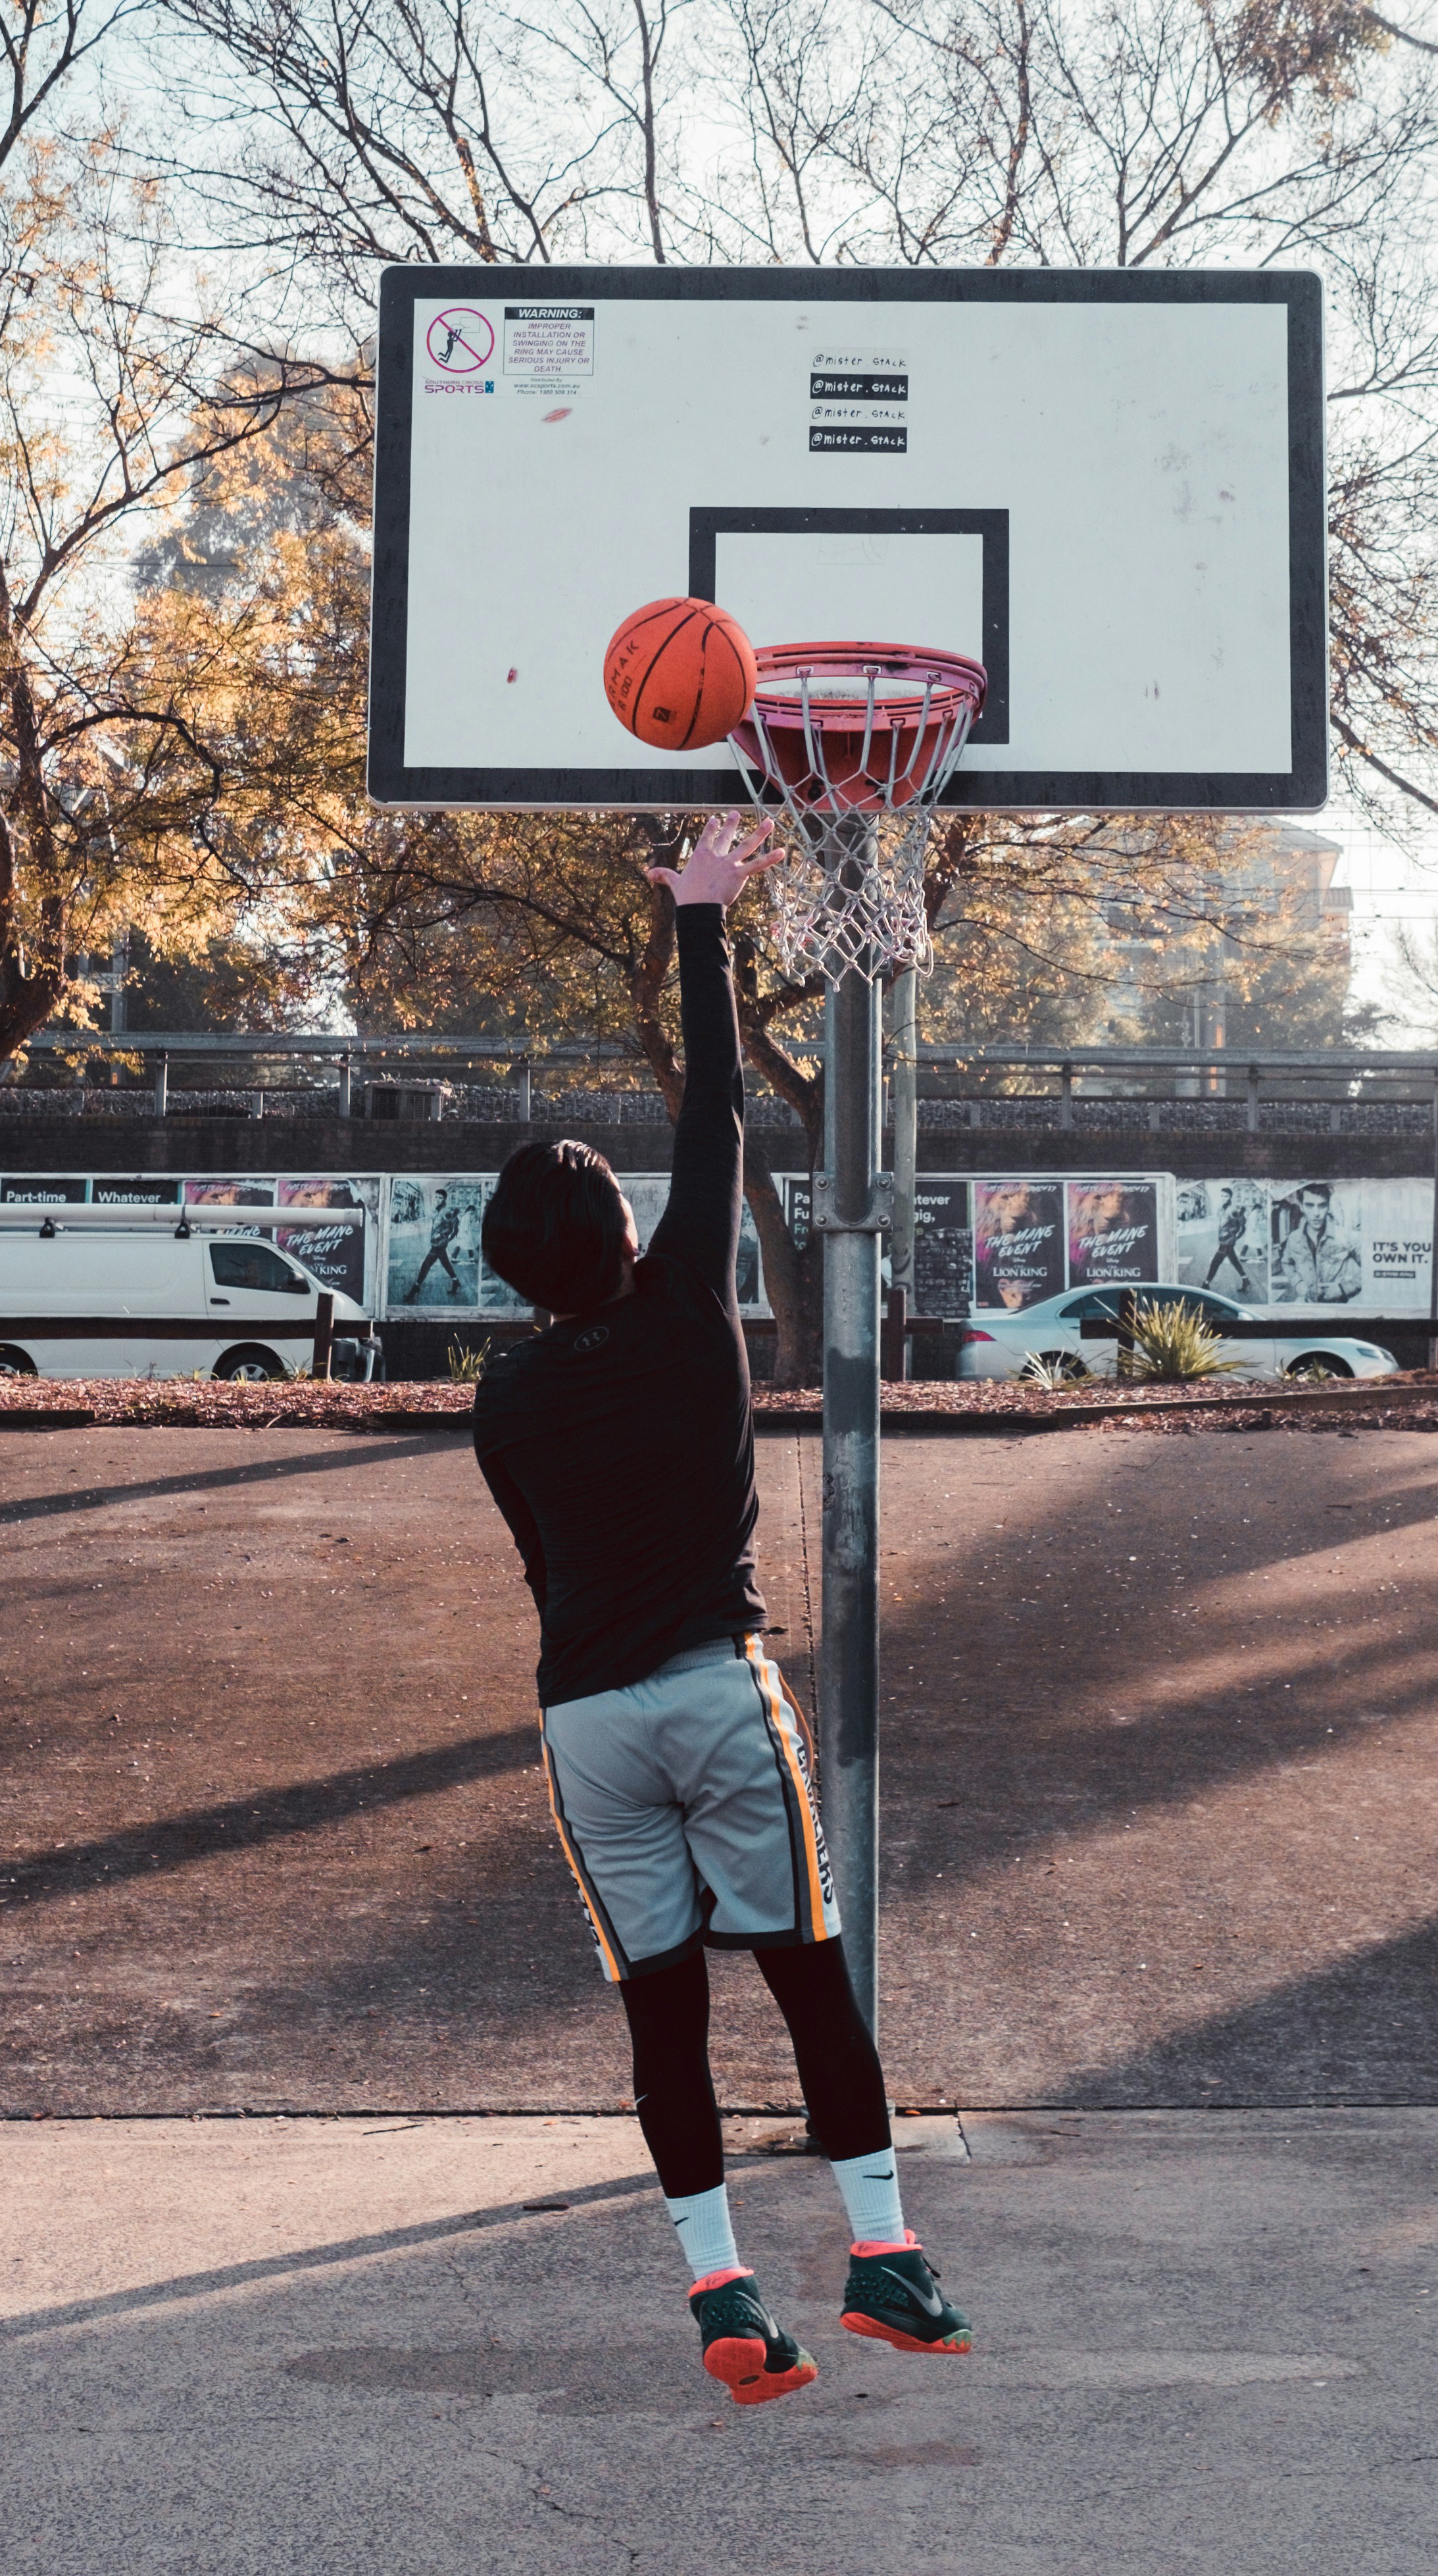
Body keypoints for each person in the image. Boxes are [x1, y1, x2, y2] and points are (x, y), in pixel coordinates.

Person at [470, 813, 972, 2408]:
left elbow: (544, 1566)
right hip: (708, 1686)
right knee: (807, 1972)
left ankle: (720, 2295)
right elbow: (714, 1109)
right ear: (632, 1237)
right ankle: (884, 2259)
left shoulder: (500, 1394)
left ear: (508, 1274)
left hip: (582, 1722)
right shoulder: (689, 1303)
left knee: (661, 2010)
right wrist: (703, 912)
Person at [406, 1186, 465, 1302]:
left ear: (444, 1199)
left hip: (439, 1244)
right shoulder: (438, 1211)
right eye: (436, 1197)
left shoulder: (446, 1212)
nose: (438, 1199)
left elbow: (450, 1228)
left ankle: (415, 1289)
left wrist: (439, 1236)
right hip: (437, 1243)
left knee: (425, 1265)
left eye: (440, 1198)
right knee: (446, 1264)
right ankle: (456, 1282)